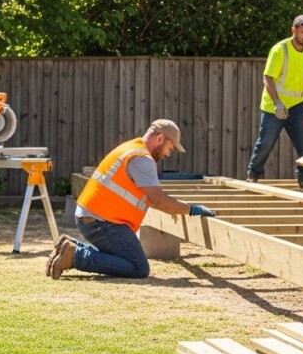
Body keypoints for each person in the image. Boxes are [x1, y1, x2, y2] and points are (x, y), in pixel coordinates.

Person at [46, 120, 216, 280]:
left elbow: (150, 197)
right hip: (101, 222)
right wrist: (191, 209)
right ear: (160, 138)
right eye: (169, 148)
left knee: (127, 260)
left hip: (95, 217)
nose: (168, 154)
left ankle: (68, 247)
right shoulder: (142, 160)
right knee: (138, 267)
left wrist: (177, 207)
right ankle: (75, 256)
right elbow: (159, 201)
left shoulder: (132, 149)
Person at [246, 15, 303, 190]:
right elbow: (268, 78)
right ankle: (253, 175)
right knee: (266, 142)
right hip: (274, 106)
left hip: (298, 104)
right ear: (293, 30)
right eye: (302, 32)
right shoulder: (280, 50)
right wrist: (277, 103)